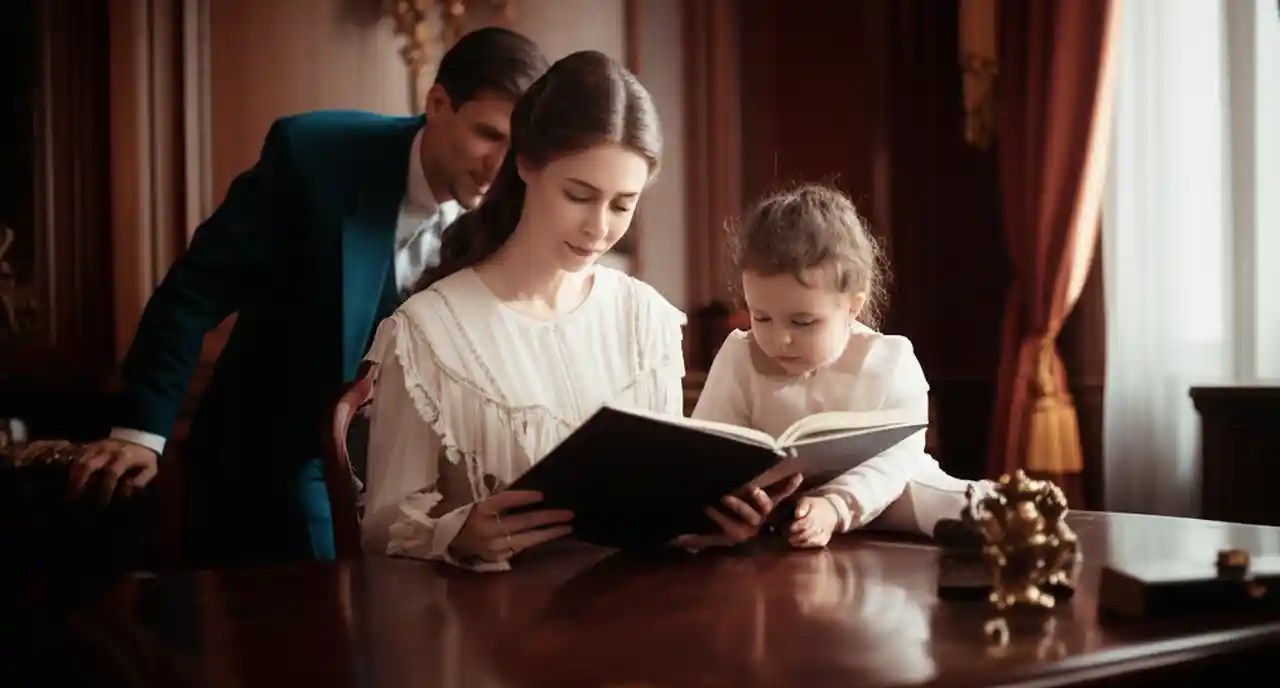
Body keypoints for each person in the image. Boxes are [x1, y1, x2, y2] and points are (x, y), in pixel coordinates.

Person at [68, 28, 549, 567]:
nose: (499, 166)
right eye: (488, 135)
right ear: (438, 103)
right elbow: (194, 291)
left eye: (516, 148)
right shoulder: (314, 156)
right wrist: (140, 431)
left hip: (415, 483)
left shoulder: (516, 203)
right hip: (276, 464)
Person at [360, 50, 802, 571]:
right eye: (578, 195)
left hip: (634, 598)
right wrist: (457, 535)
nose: (599, 228)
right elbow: (382, 529)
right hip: (489, 609)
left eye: (622, 204)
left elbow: (658, 507)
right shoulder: (427, 332)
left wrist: (711, 525)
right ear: (526, 164)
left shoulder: (646, 319)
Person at [693, 183, 988, 549]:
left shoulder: (889, 360)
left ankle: (1010, 517)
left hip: (877, 490)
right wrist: (739, 502)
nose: (779, 339)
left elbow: (900, 456)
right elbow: (709, 452)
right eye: (761, 317)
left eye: (802, 322)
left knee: (947, 501)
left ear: (852, 306)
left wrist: (836, 505)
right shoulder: (739, 354)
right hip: (777, 505)